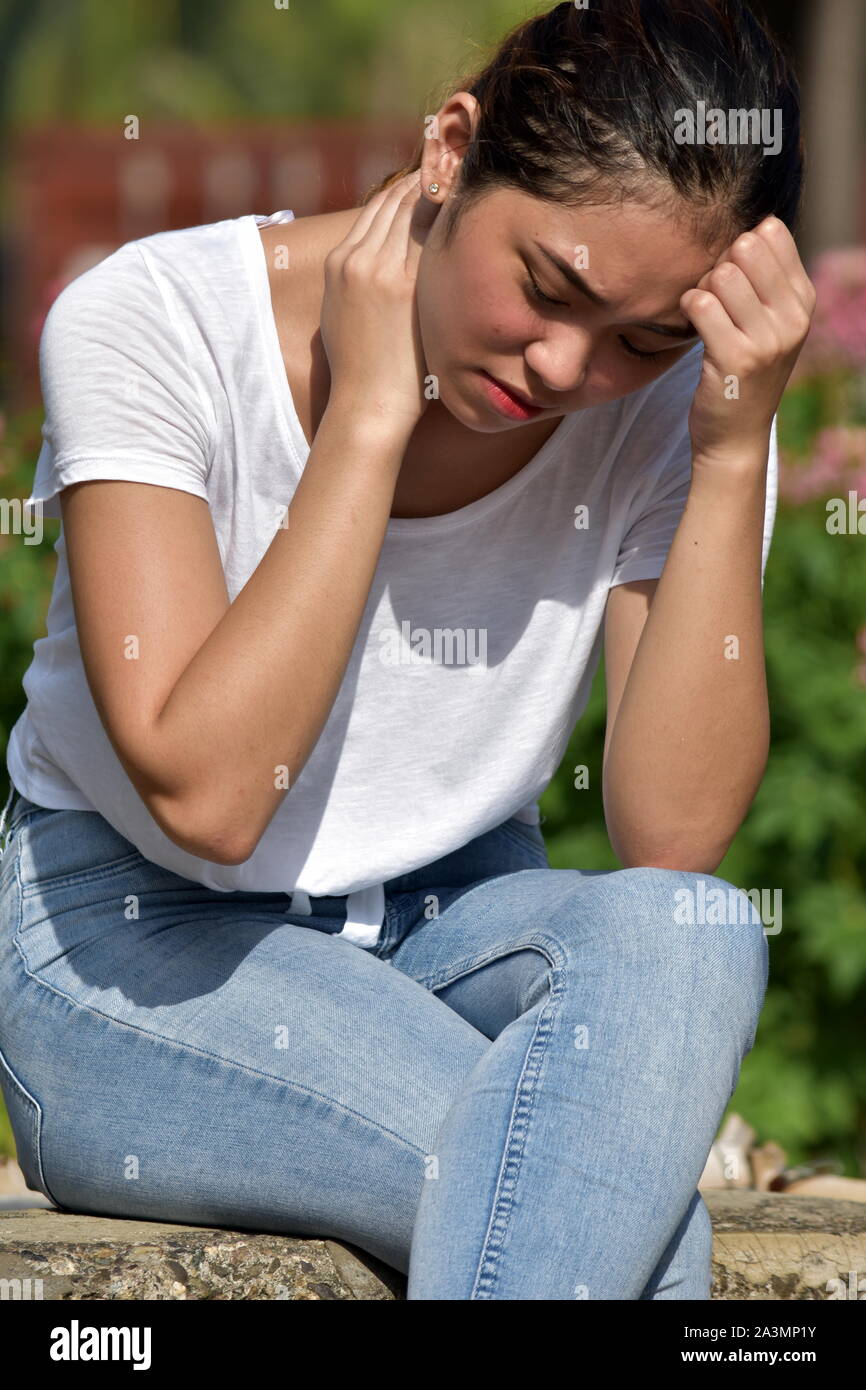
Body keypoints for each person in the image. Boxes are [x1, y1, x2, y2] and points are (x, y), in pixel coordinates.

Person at [0, 0, 813, 1299]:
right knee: (628, 1228)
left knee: (695, 927)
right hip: (138, 957)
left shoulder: (680, 403)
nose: (566, 366)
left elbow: (670, 836)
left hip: (454, 935)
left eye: (645, 339)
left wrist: (724, 453)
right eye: (549, 288)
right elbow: (206, 797)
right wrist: (368, 422)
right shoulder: (153, 320)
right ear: (450, 146)